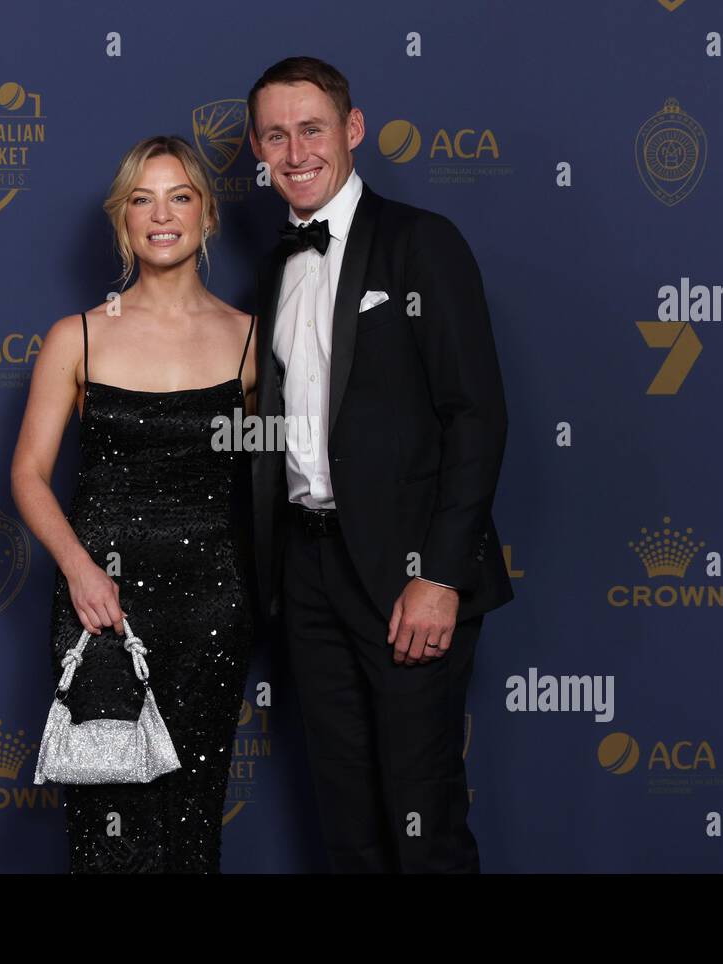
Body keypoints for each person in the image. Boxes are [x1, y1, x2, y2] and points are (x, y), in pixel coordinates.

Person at [247, 56, 515, 873]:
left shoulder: (421, 243)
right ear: (257, 150)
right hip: (309, 574)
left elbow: (477, 415)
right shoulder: (274, 268)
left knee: (421, 818)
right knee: (349, 824)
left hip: (407, 579)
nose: (295, 153)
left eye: (312, 129)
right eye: (275, 136)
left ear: (352, 130)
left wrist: (439, 575)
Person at [10, 135, 258, 873]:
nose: (161, 215)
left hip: (214, 603)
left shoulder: (251, 342)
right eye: (142, 200)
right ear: (123, 222)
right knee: (109, 826)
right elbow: (28, 473)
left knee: (192, 817)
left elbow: (291, 466)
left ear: (207, 216)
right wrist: (81, 571)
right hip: (101, 604)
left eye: (179, 196)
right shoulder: (77, 336)